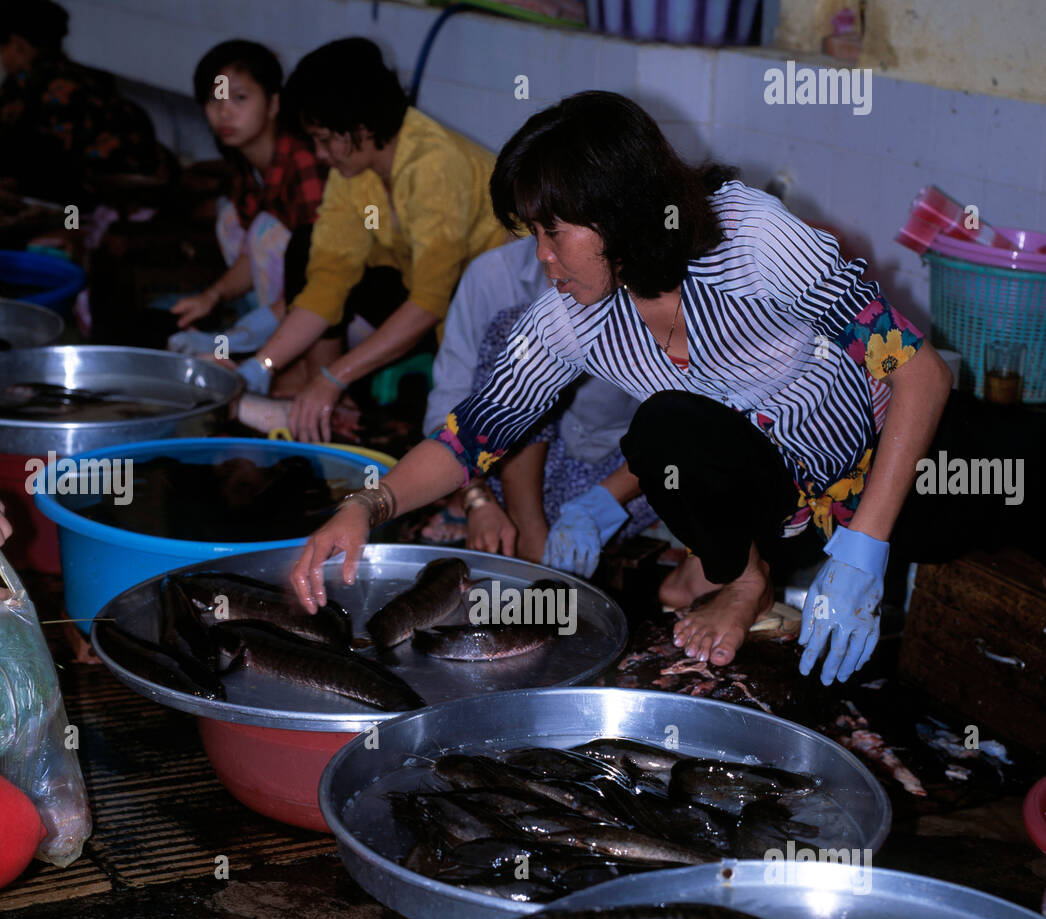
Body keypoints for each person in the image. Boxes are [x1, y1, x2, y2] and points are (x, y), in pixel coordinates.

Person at [289, 92, 962, 687]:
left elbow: (920, 372)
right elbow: (474, 435)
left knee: (1012, 493)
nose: (541, 257)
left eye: (554, 232)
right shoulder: (571, 317)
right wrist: (366, 506)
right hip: (782, 508)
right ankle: (743, 578)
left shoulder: (751, 240)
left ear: (619, 211)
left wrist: (865, 550)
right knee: (667, 428)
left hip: (896, 458)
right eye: (534, 235)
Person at [235, 39, 506, 441]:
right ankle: (325, 408)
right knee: (309, 247)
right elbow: (328, 278)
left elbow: (430, 301)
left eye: (325, 139)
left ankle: (331, 394)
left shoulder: (434, 165)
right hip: (424, 293)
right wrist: (260, 365)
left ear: (360, 128)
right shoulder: (356, 168)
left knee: (459, 431)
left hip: (494, 307)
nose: (321, 153)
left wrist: (335, 375)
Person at [419, 235, 654, 567]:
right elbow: (452, 415)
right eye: (537, 227)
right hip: (513, 475)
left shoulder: (665, 293)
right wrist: (477, 499)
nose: (545, 253)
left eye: (557, 231)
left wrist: (601, 502)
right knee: (514, 332)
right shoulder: (492, 276)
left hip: (623, 468)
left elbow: (686, 426)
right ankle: (522, 530)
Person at [168, 40, 327, 362]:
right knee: (231, 218)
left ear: (272, 104)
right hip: (292, 299)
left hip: (332, 306)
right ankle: (261, 328)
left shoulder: (305, 162)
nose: (224, 112)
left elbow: (324, 274)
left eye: (239, 98)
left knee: (266, 232)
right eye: (215, 99)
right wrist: (211, 297)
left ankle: (283, 352)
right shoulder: (246, 163)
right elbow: (248, 253)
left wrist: (239, 338)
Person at [0, 0, 158, 203]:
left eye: (3, 47)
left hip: (90, 188)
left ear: (18, 45)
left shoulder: (42, 88)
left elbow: (47, 160)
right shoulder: (84, 76)